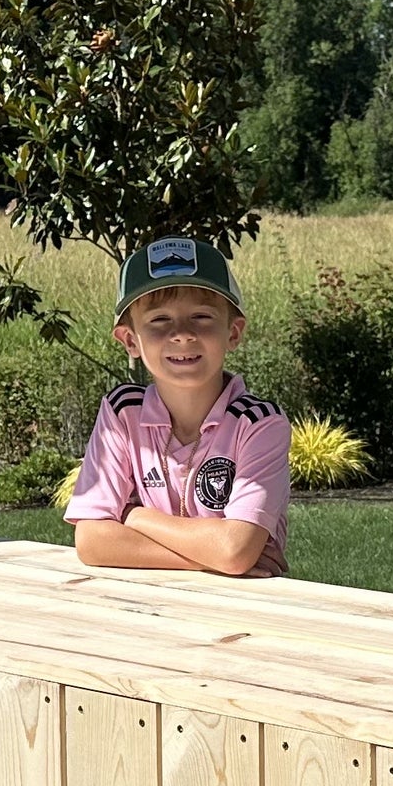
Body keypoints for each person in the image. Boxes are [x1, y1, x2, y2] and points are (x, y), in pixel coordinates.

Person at [64, 237, 291, 576]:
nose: (182, 334)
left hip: (241, 602)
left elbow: (235, 549)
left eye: (201, 316)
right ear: (130, 340)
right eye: (159, 320)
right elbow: (92, 541)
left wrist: (133, 516)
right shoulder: (123, 413)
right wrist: (212, 558)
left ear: (233, 332)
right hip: (143, 599)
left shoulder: (258, 423)